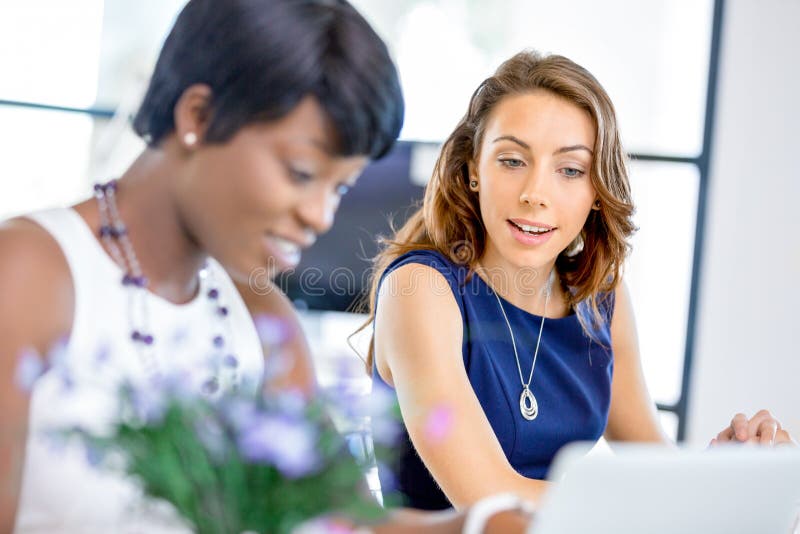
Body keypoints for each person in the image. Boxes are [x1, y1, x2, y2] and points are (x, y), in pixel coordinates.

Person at [0, 0, 411, 531]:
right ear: (198, 116)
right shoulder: (29, 272)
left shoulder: (261, 314)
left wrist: (491, 521)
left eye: (341, 187)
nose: (320, 215)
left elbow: (348, 521)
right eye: (301, 172)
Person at [365, 50, 797, 511]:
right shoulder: (422, 291)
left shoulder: (600, 298)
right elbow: (489, 500)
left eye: (570, 170)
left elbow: (652, 466)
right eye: (512, 161)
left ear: (596, 192)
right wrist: (670, 503)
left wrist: (718, 475)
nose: (535, 194)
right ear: (473, 171)